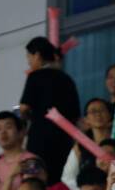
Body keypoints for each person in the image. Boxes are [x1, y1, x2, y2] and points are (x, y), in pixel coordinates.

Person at [20, 36, 82, 178]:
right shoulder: (67, 79)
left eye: (29, 57)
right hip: (64, 141)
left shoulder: (35, 76)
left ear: (37, 55)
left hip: (38, 139)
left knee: (33, 178)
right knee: (57, 178)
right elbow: (76, 115)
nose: (28, 62)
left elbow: (24, 108)